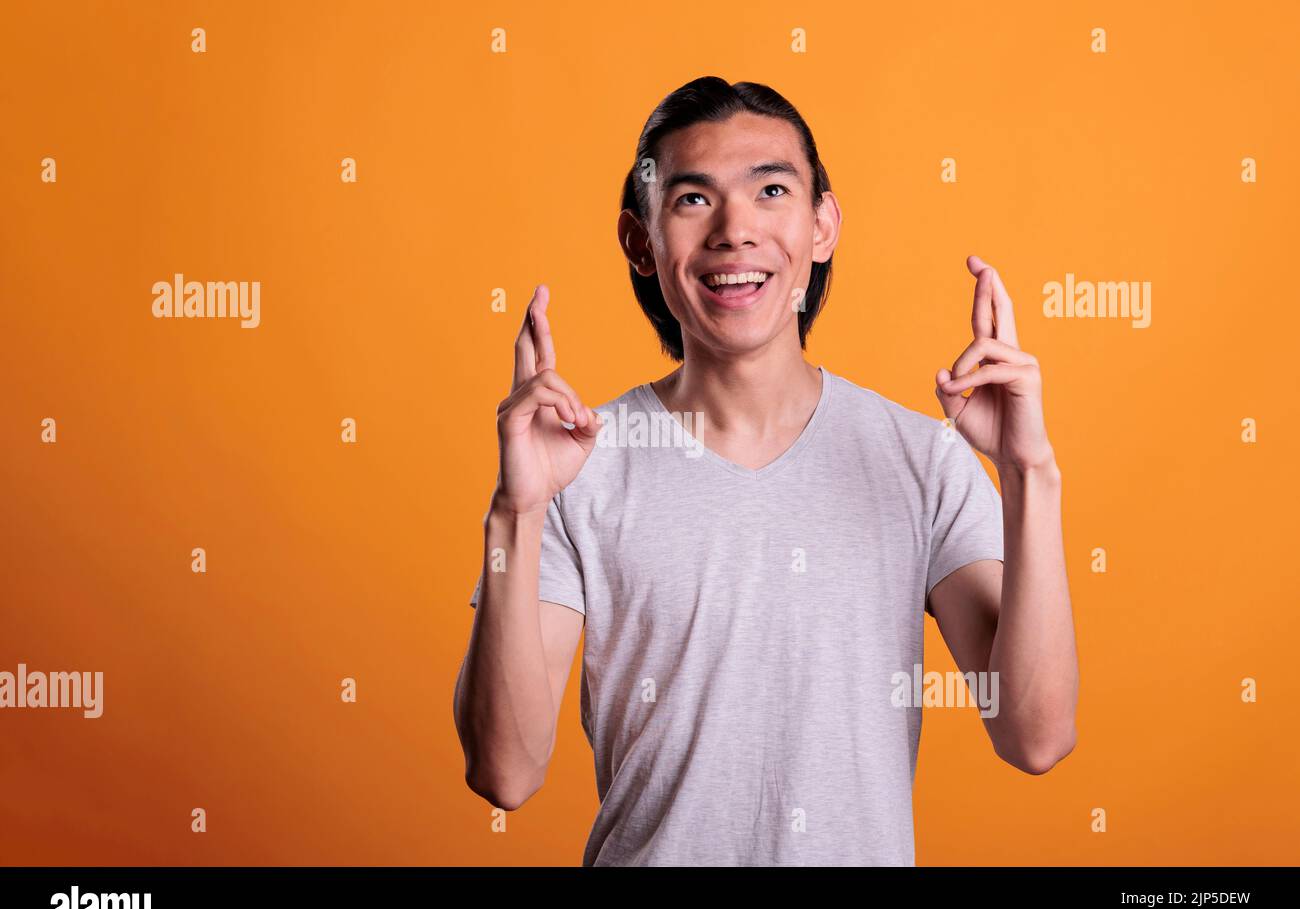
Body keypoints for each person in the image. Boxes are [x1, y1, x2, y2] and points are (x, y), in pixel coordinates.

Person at [454, 76, 1078, 866]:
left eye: (771, 190)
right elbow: (505, 771)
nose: (734, 231)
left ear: (823, 225)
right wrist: (518, 509)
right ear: (640, 241)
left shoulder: (923, 460)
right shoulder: (573, 467)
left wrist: (1028, 473)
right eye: (692, 200)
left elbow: (1037, 734)